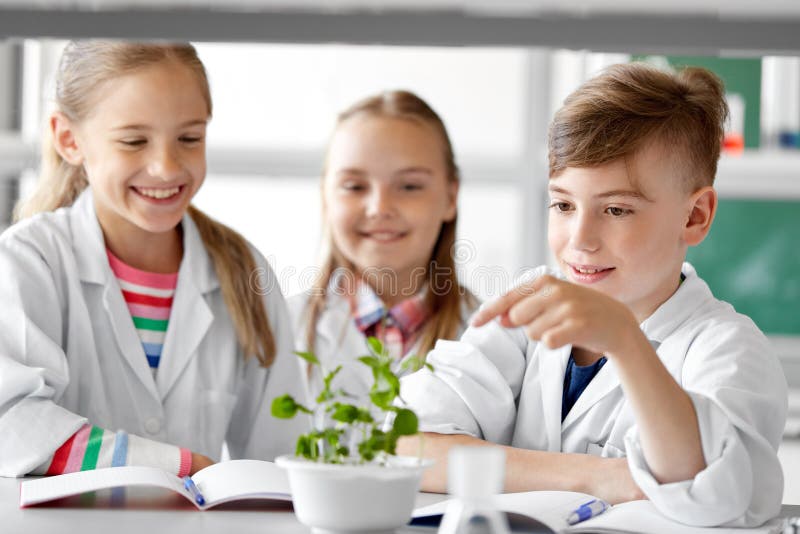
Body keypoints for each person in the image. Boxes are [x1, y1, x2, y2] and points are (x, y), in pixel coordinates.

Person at [397, 63, 787, 527]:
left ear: (695, 216)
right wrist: (598, 478)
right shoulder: (529, 314)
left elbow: (707, 492)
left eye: (617, 209)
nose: (580, 239)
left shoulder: (728, 351)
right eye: (563, 204)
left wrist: (624, 338)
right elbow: (407, 442)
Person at [0, 41, 307, 478]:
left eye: (189, 138)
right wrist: (177, 465)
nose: (166, 166)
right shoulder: (31, 262)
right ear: (69, 139)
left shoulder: (245, 271)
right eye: (133, 141)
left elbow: (281, 456)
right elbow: (11, 426)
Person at [289, 90, 479, 399]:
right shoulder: (279, 331)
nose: (379, 207)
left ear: (450, 197)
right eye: (354, 186)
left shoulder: (488, 341)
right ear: (326, 195)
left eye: (409, 186)